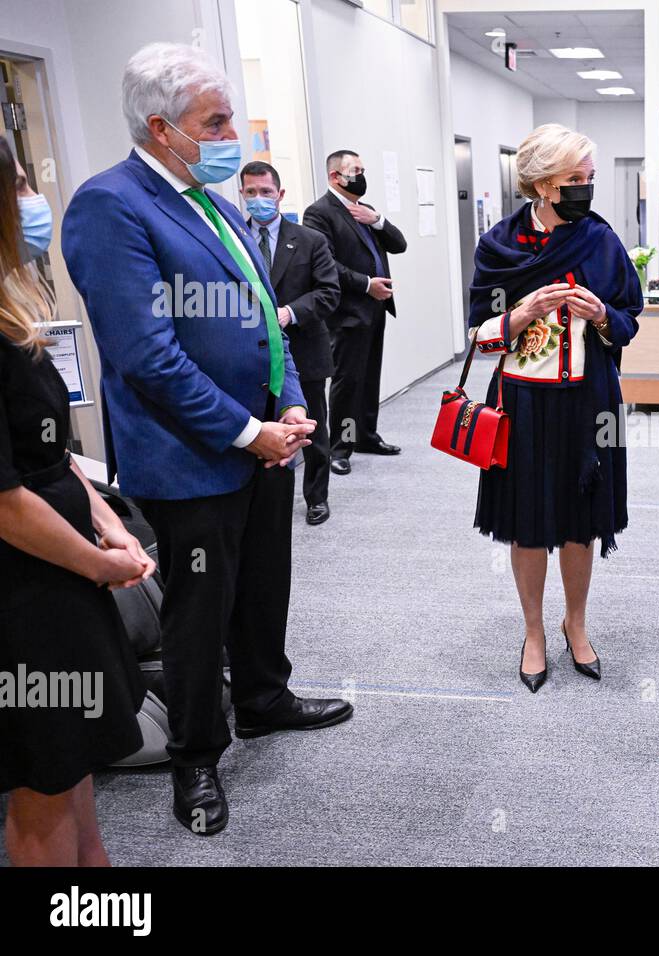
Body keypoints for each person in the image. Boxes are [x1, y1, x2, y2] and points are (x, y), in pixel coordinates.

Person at [62, 42, 352, 837]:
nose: (231, 137)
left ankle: (263, 697)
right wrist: (247, 431)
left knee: (262, 583)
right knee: (199, 612)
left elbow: (265, 317)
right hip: (189, 457)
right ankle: (195, 755)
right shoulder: (110, 205)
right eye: (215, 122)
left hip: (264, 442)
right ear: (161, 127)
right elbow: (146, 355)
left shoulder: (212, 203)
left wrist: (291, 406)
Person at [0, 137, 155, 865]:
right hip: (24, 592)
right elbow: (6, 501)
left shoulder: (13, 308)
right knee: (47, 780)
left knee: (77, 765)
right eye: (19, 184)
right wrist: (99, 565)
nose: (34, 199)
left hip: (63, 576)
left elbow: (49, 452)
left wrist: (105, 522)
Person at [468, 123, 642, 693]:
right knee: (526, 522)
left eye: (589, 177)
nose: (586, 188)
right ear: (543, 184)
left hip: (588, 399)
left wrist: (601, 316)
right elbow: (478, 337)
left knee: (580, 520)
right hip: (520, 402)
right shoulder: (499, 246)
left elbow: (629, 319)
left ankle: (576, 623)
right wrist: (522, 314)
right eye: (575, 178)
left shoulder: (600, 240)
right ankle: (533, 631)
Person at [240, 161, 341, 526]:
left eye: (266, 192)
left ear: (280, 194)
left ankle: (316, 496)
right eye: (251, 192)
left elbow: (329, 292)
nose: (259, 199)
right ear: (242, 194)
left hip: (304, 348)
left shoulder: (309, 240)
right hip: (251, 354)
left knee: (310, 427)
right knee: (260, 428)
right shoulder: (233, 239)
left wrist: (290, 312)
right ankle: (266, 500)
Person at [303, 150, 407, 475]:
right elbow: (326, 264)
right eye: (355, 170)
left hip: (376, 309)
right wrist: (366, 285)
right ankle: (342, 446)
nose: (361, 176)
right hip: (347, 312)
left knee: (369, 376)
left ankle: (366, 436)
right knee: (347, 382)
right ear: (335, 176)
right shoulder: (319, 213)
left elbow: (399, 244)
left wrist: (377, 220)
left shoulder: (365, 209)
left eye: (363, 169)